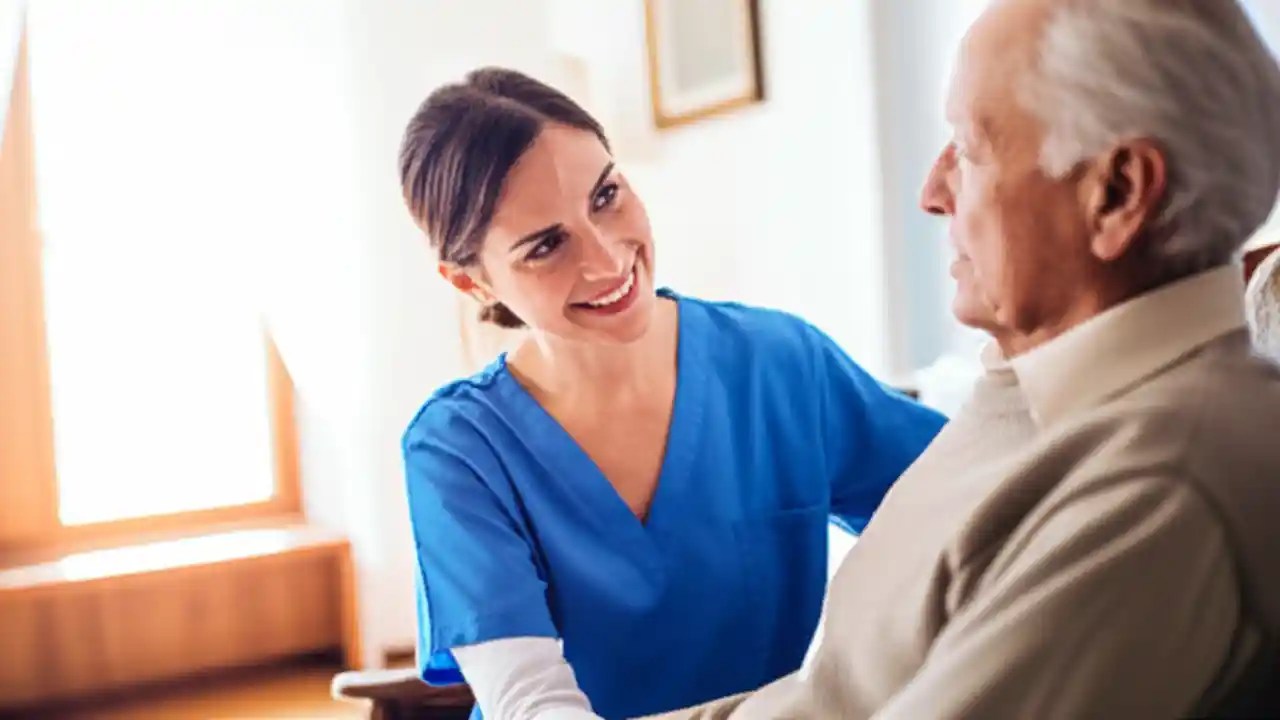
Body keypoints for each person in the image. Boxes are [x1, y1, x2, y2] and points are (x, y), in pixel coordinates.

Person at [653, 0, 1280, 717]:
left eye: (971, 149)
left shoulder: (1161, 486)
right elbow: (834, 697)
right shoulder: (1044, 390)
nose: (931, 192)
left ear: (1117, 193)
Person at [395, 68, 946, 720]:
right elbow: (530, 702)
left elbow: (973, 502)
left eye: (605, 196)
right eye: (546, 246)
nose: (606, 260)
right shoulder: (459, 450)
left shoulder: (781, 365)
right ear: (473, 284)